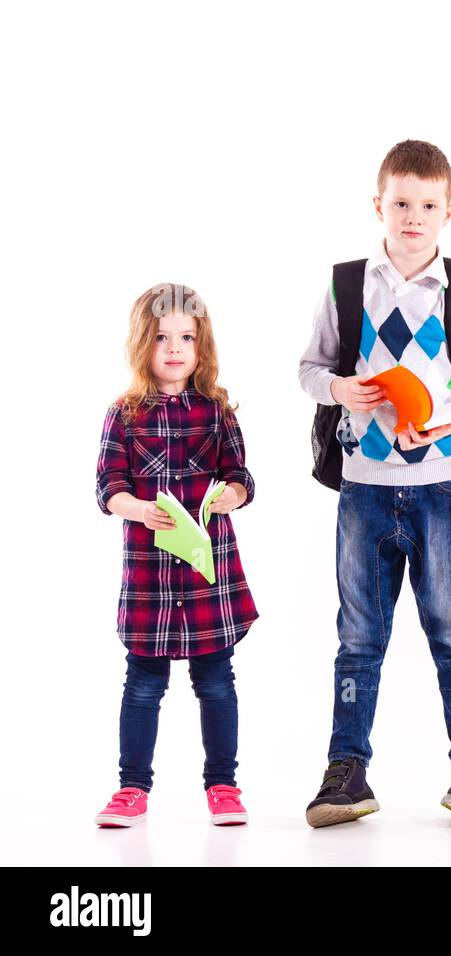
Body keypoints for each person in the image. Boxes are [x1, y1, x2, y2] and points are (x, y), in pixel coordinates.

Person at [298, 140, 451, 828]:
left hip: (447, 486)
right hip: (364, 486)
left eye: (427, 205)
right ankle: (345, 772)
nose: (413, 217)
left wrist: (445, 424)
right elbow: (310, 368)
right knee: (358, 635)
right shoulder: (348, 283)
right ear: (377, 205)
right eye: (400, 203)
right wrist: (339, 389)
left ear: (449, 210)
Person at [94, 283, 258, 827]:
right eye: (162, 337)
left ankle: (224, 785)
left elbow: (242, 479)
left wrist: (227, 496)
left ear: (201, 344)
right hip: (151, 575)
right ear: (142, 343)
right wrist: (138, 510)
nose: (174, 348)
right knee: (143, 682)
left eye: (186, 337)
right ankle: (131, 789)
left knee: (216, 681)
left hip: (209, 572)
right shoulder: (124, 414)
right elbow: (107, 488)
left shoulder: (216, 412)